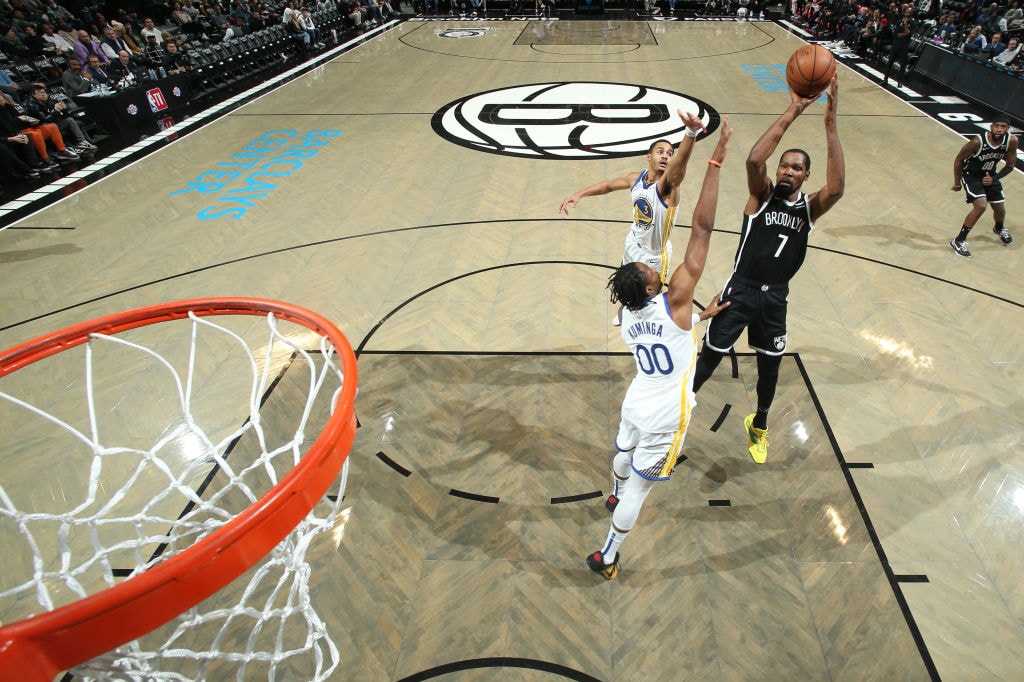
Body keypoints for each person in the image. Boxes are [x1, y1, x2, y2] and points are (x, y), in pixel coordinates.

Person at [586, 121, 733, 580]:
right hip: (668, 413)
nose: (655, 272)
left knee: (623, 452)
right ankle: (608, 555)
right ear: (651, 284)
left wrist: (701, 317)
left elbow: (672, 330)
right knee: (640, 495)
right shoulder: (674, 302)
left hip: (636, 401)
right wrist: (715, 161)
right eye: (651, 272)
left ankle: (613, 487)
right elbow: (703, 232)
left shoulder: (628, 318)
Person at [690, 78, 845, 465]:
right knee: (708, 360)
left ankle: (758, 423)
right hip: (739, 290)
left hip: (775, 298)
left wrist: (830, 123)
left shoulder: (809, 209)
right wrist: (794, 109)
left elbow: (838, 187)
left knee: (769, 370)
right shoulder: (760, 196)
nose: (788, 171)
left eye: (796, 168)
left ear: (806, 176)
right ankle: (675, 415)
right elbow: (753, 161)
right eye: (785, 165)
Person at [558, 112, 706, 319]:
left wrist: (690, 133)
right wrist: (579, 194)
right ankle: (625, 311)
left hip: (653, 256)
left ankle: (645, 329)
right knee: (626, 287)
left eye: (669, 153)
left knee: (648, 301)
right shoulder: (635, 178)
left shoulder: (666, 187)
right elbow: (608, 186)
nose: (665, 156)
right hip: (632, 244)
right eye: (660, 151)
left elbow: (679, 167)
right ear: (649, 156)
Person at [949, 115, 1018, 255]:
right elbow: (958, 160)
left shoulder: (1011, 140)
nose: (999, 129)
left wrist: (995, 178)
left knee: (999, 208)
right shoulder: (977, 142)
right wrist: (957, 183)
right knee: (981, 205)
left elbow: (1010, 164)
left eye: (1003, 126)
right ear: (991, 126)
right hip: (971, 175)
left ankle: (999, 228)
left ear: (1008, 129)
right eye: (996, 126)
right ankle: (958, 240)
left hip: (990, 175)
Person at [23, 84, 96, 153]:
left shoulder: (50, 100)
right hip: (38, 127)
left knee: (69, 120)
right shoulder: (31, 105)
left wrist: (63, 109)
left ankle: (82, 142)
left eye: (44, 92)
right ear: (34, 95)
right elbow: (44, 120)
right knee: (53, 125)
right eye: (39, 93)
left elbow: (65, 116)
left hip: (52, 124)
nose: (43, 94)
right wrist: (56, 111)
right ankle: (63, 148)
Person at [883, 3, 917, 86]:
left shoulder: (913, 23)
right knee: (890, 62)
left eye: (908, 13)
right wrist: (904, 34)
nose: (907, 14)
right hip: (895, 44)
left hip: (904, 46)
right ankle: (885, 79)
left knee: (902, 65)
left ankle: (900, 82)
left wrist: (905, 25)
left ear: (911, 14)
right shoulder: (898, 21)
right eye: (906, 13)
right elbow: (896, 34)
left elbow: (909, 34)